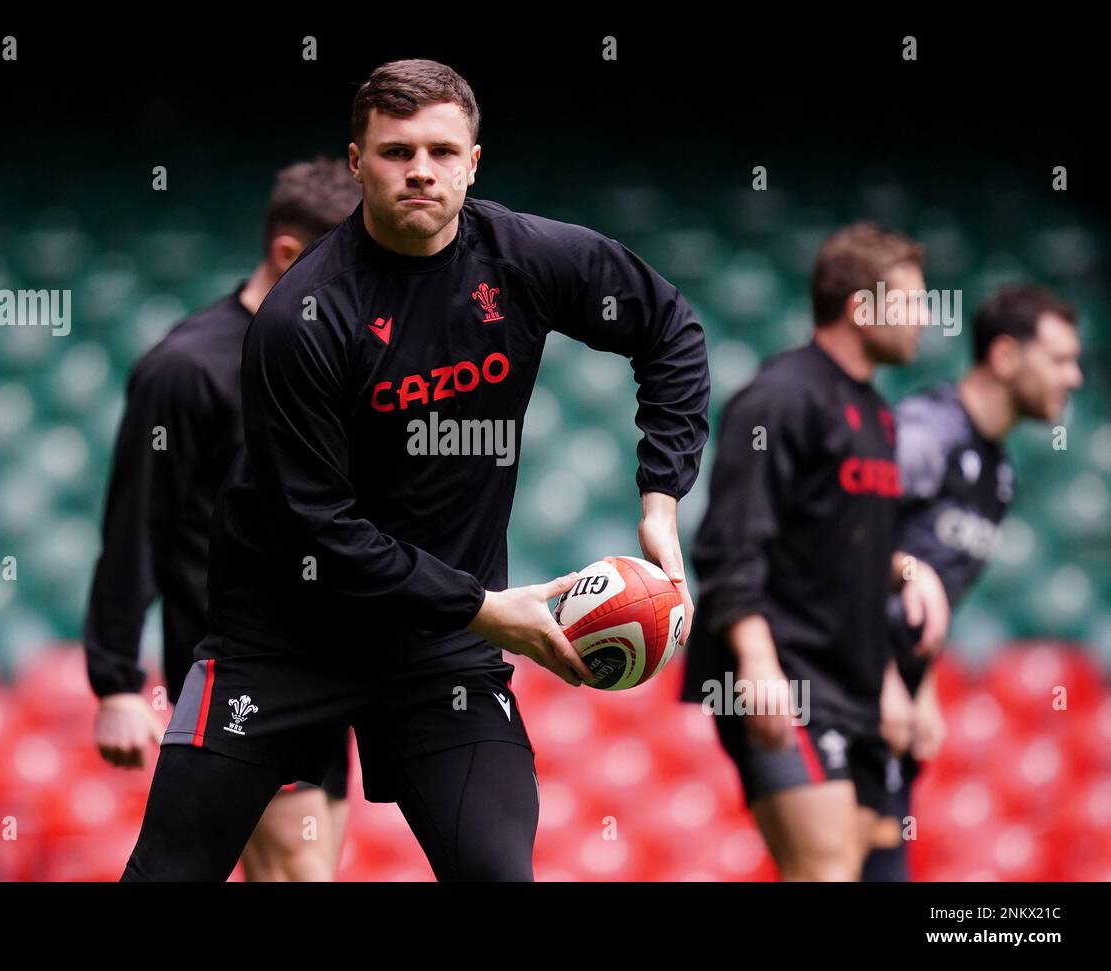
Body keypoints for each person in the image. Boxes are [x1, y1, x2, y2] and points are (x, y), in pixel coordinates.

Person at [122, 58, 710, 882]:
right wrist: (484, 609)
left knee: (500, 873)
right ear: (358, 162)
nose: (421, 171)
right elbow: (317, 530)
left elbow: (670, 329)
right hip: (285, 637)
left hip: (439, 651)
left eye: (442, 150)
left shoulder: (526, 258)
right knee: (166, 875)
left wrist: (661, 493)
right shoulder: (304, 317)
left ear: (474, 161)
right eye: (397, 152)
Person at [83, 158, 362, 880]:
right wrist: (116, 680)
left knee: (311, 865)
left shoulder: (339, 360)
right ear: (288, 255)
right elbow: (135, 527)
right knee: (298, 871)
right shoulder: (185, 368)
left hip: (331, 667)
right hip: (239, 671)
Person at [679, 222, 950, 881]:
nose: (926, 319)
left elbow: (850, 545)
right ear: (862, 308)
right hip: (786, 675)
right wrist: (758, 662)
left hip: (854, 685)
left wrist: (907, 577)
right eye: (912, 302)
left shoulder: (877, 414)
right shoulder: (781, 397)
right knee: (824, 870)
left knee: (854, 869)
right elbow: (729, 542)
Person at [863, 283, 1083, 880]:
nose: (1075, 378)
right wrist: (879, 679)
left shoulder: (999, 475)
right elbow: (844, 542)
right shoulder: (924, 436)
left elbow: (932, 593)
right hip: (841, 686)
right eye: (1061, 359)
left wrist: (924, 682)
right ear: (1007, 356)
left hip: (895, 710)